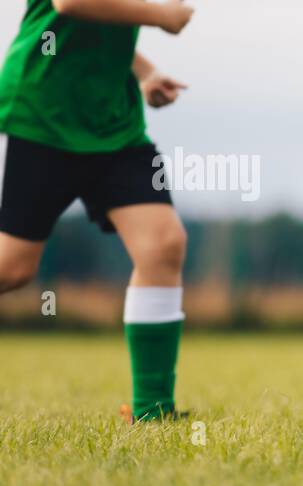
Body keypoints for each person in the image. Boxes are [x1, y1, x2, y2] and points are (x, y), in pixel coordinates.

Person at [0, 0, 196, 422]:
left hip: (114, 124)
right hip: (46, 115)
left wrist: (144, 72)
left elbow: (102, 26)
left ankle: (152, 410)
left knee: (163, 244)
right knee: (12, 268)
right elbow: (71, 2)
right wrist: (163, 17)